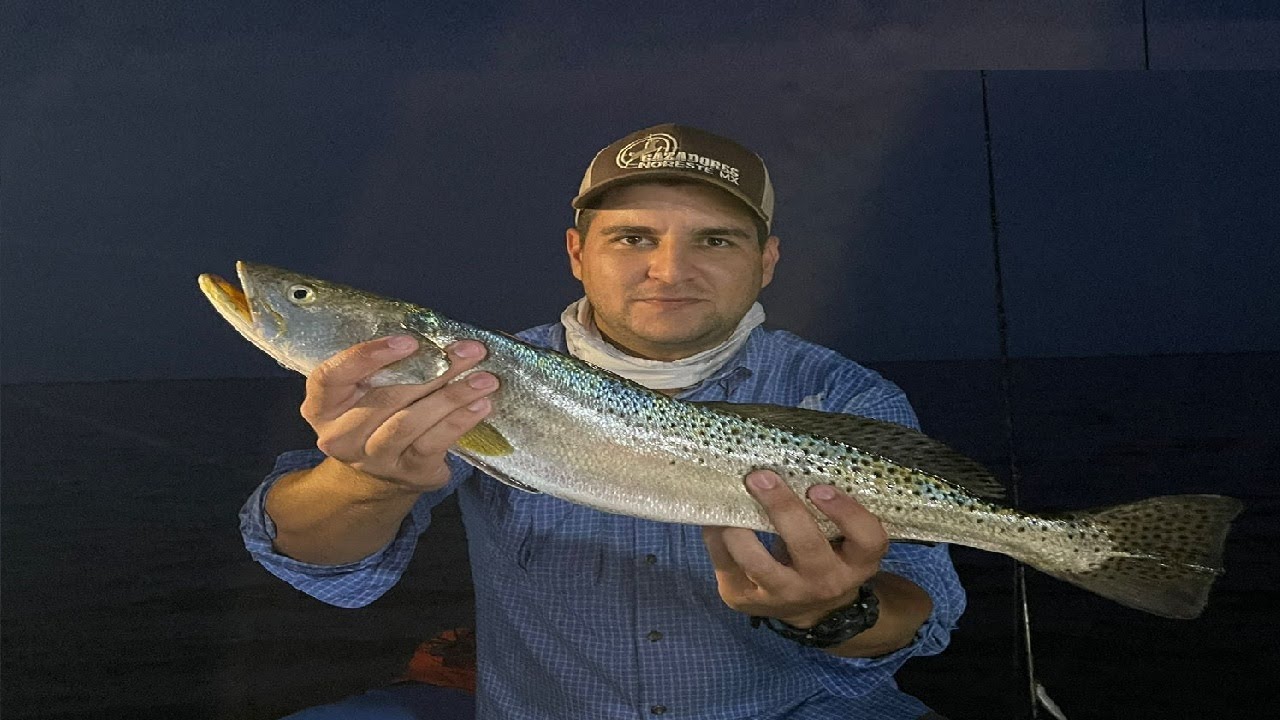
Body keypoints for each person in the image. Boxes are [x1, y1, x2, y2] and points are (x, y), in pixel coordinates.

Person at [241, 123, 964, 719]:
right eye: (633, 239)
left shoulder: (840, 394)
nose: (670, 270)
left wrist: (836, 611)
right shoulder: (479, 372)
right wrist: (363, 480)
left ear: (766, 260)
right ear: (577, 253)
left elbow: (923, 615)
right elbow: (322, 565)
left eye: (715, 240)